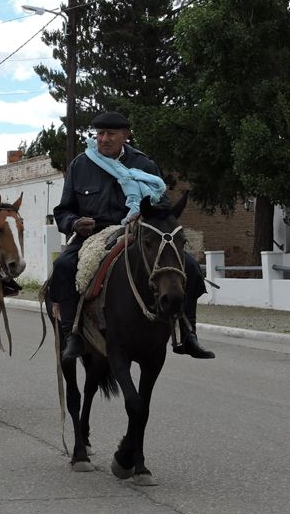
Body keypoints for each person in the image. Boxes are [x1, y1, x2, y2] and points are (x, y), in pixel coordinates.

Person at [50, 111, 214, 361]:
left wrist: (147, 216)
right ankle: (73, 335)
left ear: (125, 136)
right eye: (100, 134)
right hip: (93, 234)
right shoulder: (81, 164)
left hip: (138, 232)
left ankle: (187, 332)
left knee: (189, 267)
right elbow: (63, 211)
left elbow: (164, 206)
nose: (104, 139)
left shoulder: (143, 164)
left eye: (111, 134)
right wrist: (74, 223)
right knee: (62, 266)